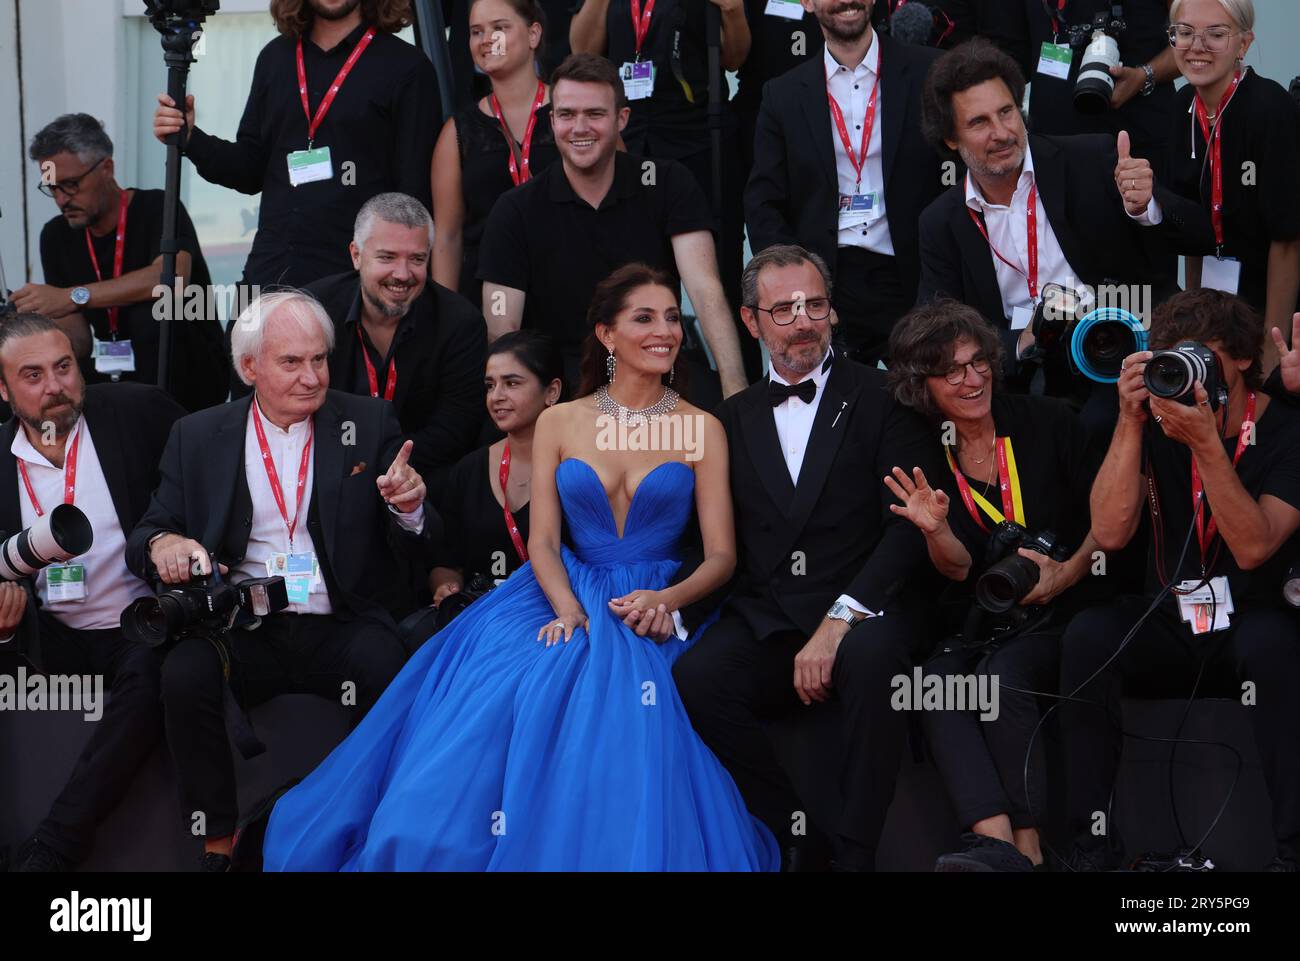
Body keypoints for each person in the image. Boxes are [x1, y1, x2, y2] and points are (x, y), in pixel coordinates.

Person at [261, 263, 777, 870]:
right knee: (512, 683)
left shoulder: (703, 428)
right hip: (556, 589)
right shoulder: (562, 420)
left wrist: (669, 600)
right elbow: (543, 541)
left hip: (654, 601)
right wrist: (567, 610)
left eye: (671, 317)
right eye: (644, 317)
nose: (664, 330)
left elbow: (722, 555)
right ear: (608, 335)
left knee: (623, 713)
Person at [125, 291, 439, 872]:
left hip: (340, 620)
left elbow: (421, 540)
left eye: (318, 360)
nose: (310, 376)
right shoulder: (198, 436)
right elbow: (149, 531)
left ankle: (377, 823)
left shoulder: (367, 423)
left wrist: (409, 507)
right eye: (291, 362)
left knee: (389, 666)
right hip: (245, 628)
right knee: (183, 672)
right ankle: (218, 836)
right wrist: (165, 545)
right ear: (250, 368)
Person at [672, 244, 943, 871]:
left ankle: (855, 852)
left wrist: (840, 621)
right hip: (770, 618)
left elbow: (906, 530)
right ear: (750, 322)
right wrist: (674, 608)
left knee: (874, 663)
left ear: (833, 312)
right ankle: (797, 839)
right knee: (696, 679)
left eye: (815, 304)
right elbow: (713, 542)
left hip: (868, 611)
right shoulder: (730, 420)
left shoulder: (885, 397)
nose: (803, 321)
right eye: (784, 309)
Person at [1063, 289, 1300, 872]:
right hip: (1168, 614)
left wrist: (1207, 446)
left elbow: (1252, 547)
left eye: (1203, 358)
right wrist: (1128, 419)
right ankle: (1091, 850)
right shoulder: (1152, 420)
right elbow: (1111, 533)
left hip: (1251, 615)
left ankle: (1291, 854)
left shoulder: (1287, 431)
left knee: (1275, 649)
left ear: (1243, 359)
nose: (1187, 375)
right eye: (1174, 360)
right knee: (1088, 637)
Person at [884, 300, 1102, 871]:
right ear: (920, 384)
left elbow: (1106, 526)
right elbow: (957, 568)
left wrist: (1067, 572)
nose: (972, 378)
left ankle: (1029, 853)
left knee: (1001, 679)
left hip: (1067, 612)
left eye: (978, 361)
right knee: (934, 682)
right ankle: (996, 843)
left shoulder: (1050, 420)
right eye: (951, 370)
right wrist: (933, 529)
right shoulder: (928, 451)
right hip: (985, 620)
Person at [0, 314, 185, 872]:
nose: (54, 387)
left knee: (159, 672)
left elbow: (206, 468)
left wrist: (179, 539)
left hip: (138, 625)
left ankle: (55, 845)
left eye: (63, 368)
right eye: (32, 376)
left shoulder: (137, 412)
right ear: (3, 390)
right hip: (45, 635)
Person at [478, 52, 748, 400]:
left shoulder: (667, 183)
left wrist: (735, 387)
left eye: (594, 114)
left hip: (659, 365)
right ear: (551, 121)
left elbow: (705, 290)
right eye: (566, 114)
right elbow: (502, 327)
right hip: (564, 385)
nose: (579, 128)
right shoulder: (514, 209)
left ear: (622, 119)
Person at [916, 38, 1175, 393]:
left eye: (1006, 112)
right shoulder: (940, 222)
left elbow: (1193, 235)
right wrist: (1022, 342)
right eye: (979, 122)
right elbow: (937, 332)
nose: (1002, 133)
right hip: (1023, 377)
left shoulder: (1091, 158)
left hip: (1120, 350)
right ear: (951, 139)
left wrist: (1146, 207)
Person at [151, 0, 440, 290]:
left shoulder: (408, 68)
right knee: (237, 336)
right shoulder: (275, 57)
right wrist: (191, 138)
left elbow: (413, 199)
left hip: (353, 283)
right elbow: (249, 170)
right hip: (270, 271)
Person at [744, 0, 946, 365]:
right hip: (826, 281)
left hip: (915, 273)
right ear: (806, 2)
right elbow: (764, 203)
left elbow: (954, 178)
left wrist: (941, 281)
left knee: (924, 405)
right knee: (838, 414)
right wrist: (797, 291)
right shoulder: (783, 94)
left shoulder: (929, 71)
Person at [14, 114, 228, 412]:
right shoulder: (56, 235)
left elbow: (171, 278)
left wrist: (72, 296)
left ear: (107, 169)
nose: (61, 199)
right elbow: (78, 341)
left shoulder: (158, 207)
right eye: (52, 188)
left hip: (189, 375)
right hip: (115, 379)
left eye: (71, 185)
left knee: (151, 316)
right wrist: (30, 324)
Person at [1116, 0, 1300, 339]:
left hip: (1269, 303)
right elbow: (1194, 226)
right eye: (1184, 33)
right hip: (1219, 310)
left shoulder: (1270, 109)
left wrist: (1275, 345)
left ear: (1244, 43)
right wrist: (1197, 318)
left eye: (1216, 34)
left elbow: (1287, 241)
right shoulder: (1182, 105)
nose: (1197, 47)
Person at [569, 0, 751, 321]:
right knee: (637, 282)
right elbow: (583, 51)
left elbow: (734, 58)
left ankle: (735, 369)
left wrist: (733, 10)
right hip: (629, 145)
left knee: (721, 279)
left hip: (699, 142)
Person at [305, 193, 487, 488]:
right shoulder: (312, 311)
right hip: (325, 474)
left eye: (417, 259)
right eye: (387, 257)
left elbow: (456, 428)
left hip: (422, 479)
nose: (402, 275)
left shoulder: (460, 323)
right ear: (356, 255)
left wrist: (383, 468)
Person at [428, 331, 563, 633]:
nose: (496, 396)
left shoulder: (580, 469)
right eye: (490, 385)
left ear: (551, 391)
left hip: (555, 617)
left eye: (512, 383)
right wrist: (446, 587)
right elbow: (446, 562)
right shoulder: (469, 469)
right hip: (482, 618)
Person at [432, 0, 560, 303]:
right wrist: (446, 322)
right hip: (490, 296)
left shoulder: (576, 110)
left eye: (499, 28)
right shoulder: (456, 132)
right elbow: (448, 238)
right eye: (477, 32)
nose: (486, 39)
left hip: (572, 285)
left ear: (533, 35)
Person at [983, 0, 1180, 178]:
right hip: (1050, 151)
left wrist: (1144, 76)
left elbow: (1201, 38)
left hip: (1139, 149)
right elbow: (1010, 56)